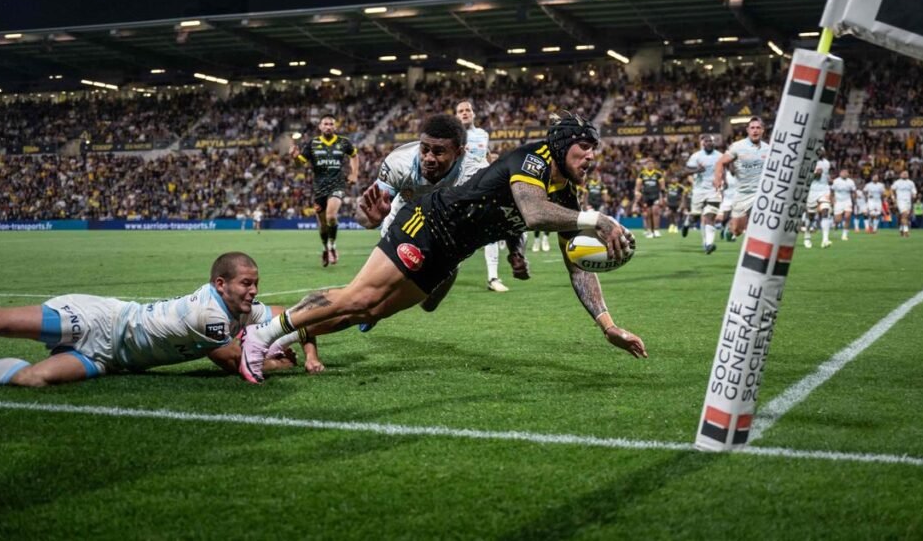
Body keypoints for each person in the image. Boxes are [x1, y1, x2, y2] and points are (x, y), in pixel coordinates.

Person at [238, 113, 646, 384]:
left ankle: (281, 340)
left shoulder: (568, 196)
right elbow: (534, 212)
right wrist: (598, 219)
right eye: (584, 148)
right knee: (359, 296)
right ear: (561, 145)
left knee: (369, 311)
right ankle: (260, 336)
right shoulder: (533, 160)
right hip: (427, 223)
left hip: (450, 253)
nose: (591, 157)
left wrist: (607, 325)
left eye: (594, 150)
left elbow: (577, 266)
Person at [0, 253, 316, 387]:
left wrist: (309, 350)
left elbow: (295, 317)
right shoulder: (207, 313)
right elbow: (233, 361)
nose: (254, 291)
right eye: (246, 284)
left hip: (110, 358)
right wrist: (276, 362)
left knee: (33, 378)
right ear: (220, 284)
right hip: (100, 320)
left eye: (256, 284)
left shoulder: (241, 307)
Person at [353, 113, 511, 329]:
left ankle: (445, 270)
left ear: (459, 152)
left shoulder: (476, 173)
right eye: (424, 149)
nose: (428, 157)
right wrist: (369, 219)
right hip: (403, 220)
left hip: (444, 231)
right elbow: (363, 213)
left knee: (429, 304)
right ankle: (374, 310)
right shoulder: (400, 162)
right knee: (380, 285)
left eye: (438, 152)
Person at [456, 99, 510, 293]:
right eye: (461, 111)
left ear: (473, 113)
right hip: (461, 190)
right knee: (456, 234)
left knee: (491, 231)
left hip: (483, 188)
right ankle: (446, 272)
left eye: (467, 110)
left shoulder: (483, 134)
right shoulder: (453, 135)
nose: (464, 113)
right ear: (456, 116)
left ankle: (493, 278)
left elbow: (486, 155)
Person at [291, 115, 359, 267]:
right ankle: (325, 248)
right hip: (319, 188)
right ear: (320, 127)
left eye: (331, 124)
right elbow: (299, 164)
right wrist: (295, 158)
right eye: (325, 124)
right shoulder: (312, 143)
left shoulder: (343, 142)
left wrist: (354, 174)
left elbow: (354, 156)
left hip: (337, 185)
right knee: (322, 225)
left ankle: (332, 246)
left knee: (331, 216)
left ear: (335, 127)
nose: (328, 127)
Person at [714, 117, 770, 238]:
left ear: (763, 130)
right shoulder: (737, 147)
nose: (755, 130)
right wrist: (718, 179)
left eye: (758, 128)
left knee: (761, 226)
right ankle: (730, 228)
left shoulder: (769, 149)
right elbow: (720, 163)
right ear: (747, 130)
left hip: (762, 193)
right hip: (743, 193)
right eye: (752, 128)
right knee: (737, 230)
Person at [683, 134, 722, 254]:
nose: (709, 143)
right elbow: (686, 171)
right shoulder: (696, 156)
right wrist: (697, 170)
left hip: (714, 190)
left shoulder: (720, 156)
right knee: (695, 216)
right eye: (707, 141)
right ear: (703, 143)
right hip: (699, 190)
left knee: (710, 217)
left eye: (711, 141)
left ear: (714, 143)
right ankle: (687, 222)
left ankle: (709, 244)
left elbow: (725, 169)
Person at [803, 148, 833, 248]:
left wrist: (829, 179)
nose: (821, 152)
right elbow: (805, 177)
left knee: (825, 211)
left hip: (824, 190)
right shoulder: (809, 161)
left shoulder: (827, 163)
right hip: (812, 190)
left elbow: (826, 175)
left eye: (822, 150)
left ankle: (825, 240)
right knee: (810, 215)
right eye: (819, 150)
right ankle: (807, 236)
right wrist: (815, 174)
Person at [634, 157, 665, 238]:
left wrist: (663, 197)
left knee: (655, 212)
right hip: (646, 196)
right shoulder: (642, 174)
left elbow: (662, 186)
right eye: (648, 164)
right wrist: (637, 192)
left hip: (655, 195)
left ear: (654, 165)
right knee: (647, 214)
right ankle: (649, 231)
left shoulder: (658, 174)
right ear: (645, 165)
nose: (650, 165)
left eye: (651, 163)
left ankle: (656, 230)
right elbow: (638, 185)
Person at [831, 168, 857, 241]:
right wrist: (832, 200)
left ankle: (844, 235)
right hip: (838, 202)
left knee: (847, 217)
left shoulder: (851, 182)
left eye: (846, 172)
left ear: (848, 174)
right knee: (838, 220)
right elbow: (832, 191)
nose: (845, 174)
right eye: (843, 172)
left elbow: (854, 191)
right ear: (840, 173)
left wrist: (854, 199)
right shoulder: (836, 181)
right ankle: (836, 225)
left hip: (847, 201)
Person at [890, 170, 918, 237]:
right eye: (904, 174)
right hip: (900, 201)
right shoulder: (897, 182)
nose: (905, 175)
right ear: (901, 175)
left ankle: (901, 228)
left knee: (905, 217)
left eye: (906, 174)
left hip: (908, 201)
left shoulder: (911, 183)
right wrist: (893, 197)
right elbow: (892, 190)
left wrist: (914, 194)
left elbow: (914, 190)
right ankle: (906, 231)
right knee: (904, 215)